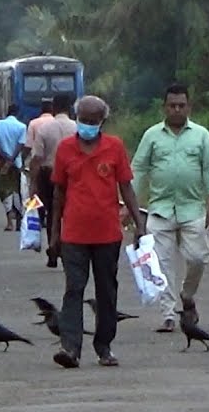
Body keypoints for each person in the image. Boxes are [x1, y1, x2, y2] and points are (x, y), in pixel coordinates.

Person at [48, 95, 146, 369]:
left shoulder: (114, 148)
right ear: (76, 118)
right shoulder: (65, 149)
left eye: (93, 121)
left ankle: (104, 346)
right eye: (84, 120)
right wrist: (54, 233)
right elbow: (59, 194)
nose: (88, 126)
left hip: (107, 235)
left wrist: (139, 223)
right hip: (74, 235)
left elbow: (126, 187)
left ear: (102, 122)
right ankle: (70, 348)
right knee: (74, 290)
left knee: (106, 292)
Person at [130, 83, 209, 333]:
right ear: (165, 107)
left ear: (189, 107)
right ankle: (169, 315)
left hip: (193, 209)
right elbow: (138, 170)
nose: (177, 110)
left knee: (198, 258)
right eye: (172, 105)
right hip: (160, 209)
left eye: (181, 105)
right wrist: (130, 204)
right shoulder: (151, 136)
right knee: (162, 265)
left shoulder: (201, 135)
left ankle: (187, 295)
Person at [24, 94, 76, 267]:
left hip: (48, 175)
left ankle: (53, 249)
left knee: (50, 213)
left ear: (53, 108)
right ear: (70, 108)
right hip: (71, 175)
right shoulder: (76, 128)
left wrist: (33, 182)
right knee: (69, 213)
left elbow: (37, 157)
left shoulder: (44, 129)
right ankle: (68, 250)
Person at [0, 103, 27, 231]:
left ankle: (9, 222)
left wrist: (6, 158)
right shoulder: (22, 126)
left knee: (4, 191)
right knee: (18, 191)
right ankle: (19, 221)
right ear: (17, 113)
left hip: (2, 163)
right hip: (16, 164)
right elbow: (21, 144)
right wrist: (12, 158)